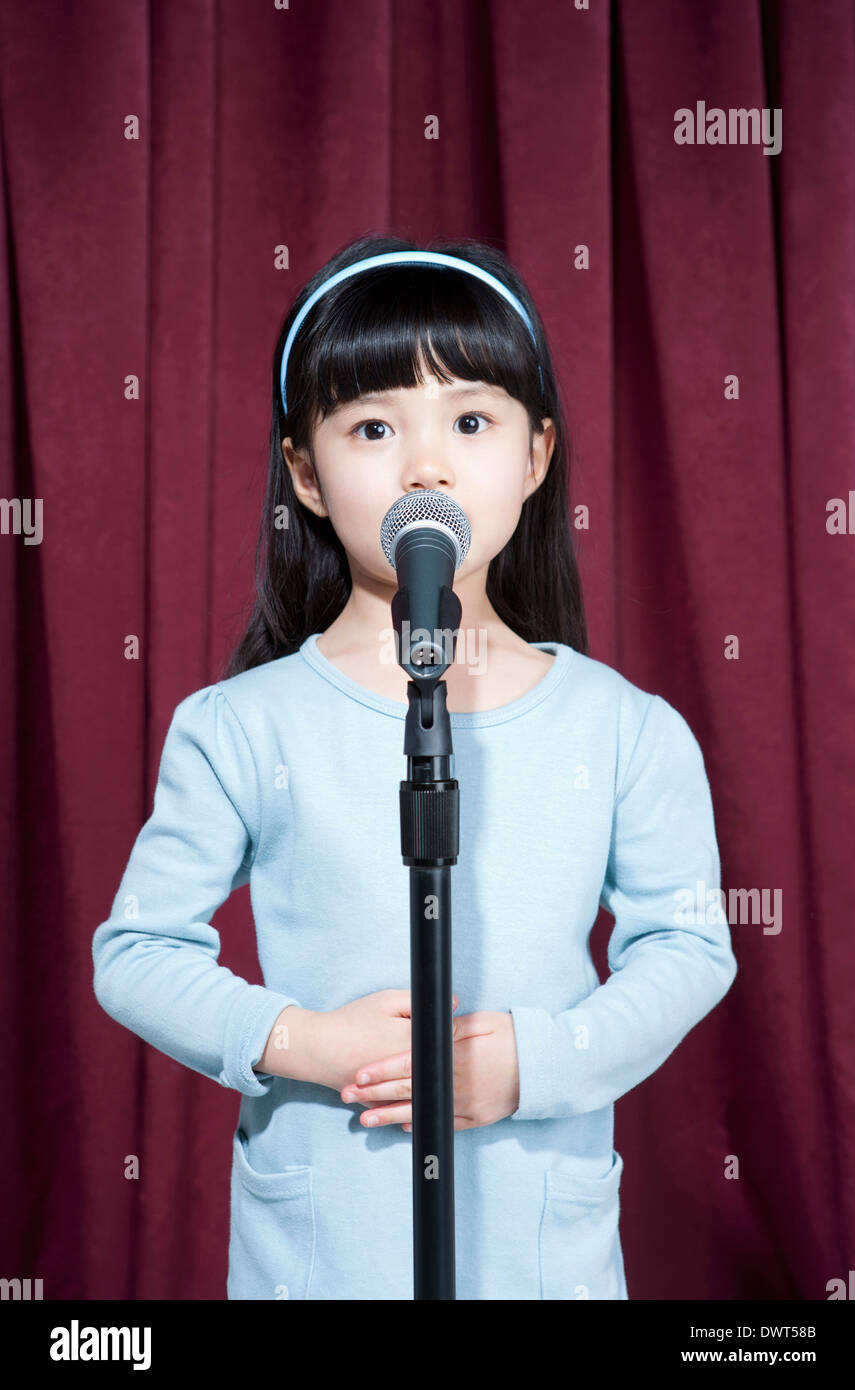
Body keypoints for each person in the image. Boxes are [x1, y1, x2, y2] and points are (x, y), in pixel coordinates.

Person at [92, 232, 738, 1300]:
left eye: (470, 421)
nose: (424, 465)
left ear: (534, 458)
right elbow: (136, 951)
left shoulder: (626, 729)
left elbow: (686, 947)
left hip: (538, 1247)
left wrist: (537, 1061)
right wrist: (302, 1039)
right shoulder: (238, 725)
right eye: (373, 426)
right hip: (323, 1250)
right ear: (304, 471)